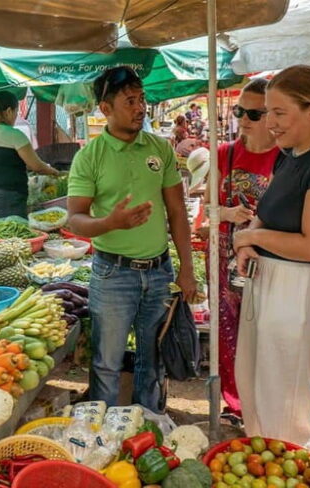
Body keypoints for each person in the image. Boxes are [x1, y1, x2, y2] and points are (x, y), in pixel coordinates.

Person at [231, 65, 310, 450]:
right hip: (268, 282)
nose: (270, 123)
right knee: (256, 383)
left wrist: (249, 235)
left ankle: (291, 464)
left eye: (279, 112)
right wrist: (247, 241)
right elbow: (267, 211)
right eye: (267, 112)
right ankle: (262, 460)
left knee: (287, 400)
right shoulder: (290, 155)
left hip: (301, 291)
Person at [67, 66, 196, 412]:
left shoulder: (160, 148)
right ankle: (104, 435)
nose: (140, 108)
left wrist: (187, 268)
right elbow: (75, 219)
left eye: (142, 99)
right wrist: (110, 223)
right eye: (129, 101)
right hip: (113, 274)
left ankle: (147, 425)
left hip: (159, 272)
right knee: (107, 362)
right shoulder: (89, 157)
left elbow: (178, 211)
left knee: (152, 361)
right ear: (106, 109)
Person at [197, 78, 280, 425]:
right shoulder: (224, 152)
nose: (244, 119)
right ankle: (236, 405)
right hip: (223, 260)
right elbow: (204, 211)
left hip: (269, 261)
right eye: (239, 111)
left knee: (265, 334)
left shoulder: (286, 158)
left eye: (254, 113)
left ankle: (265, 406)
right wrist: (228, 214)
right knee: (228, 335)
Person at [0, 91, 60, 218]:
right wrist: (54, 172)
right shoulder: (14, 135)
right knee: (12, 235)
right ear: (9, 111)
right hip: (7, 198)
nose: (16, 116)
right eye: (16, 112)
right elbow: (36, 166)